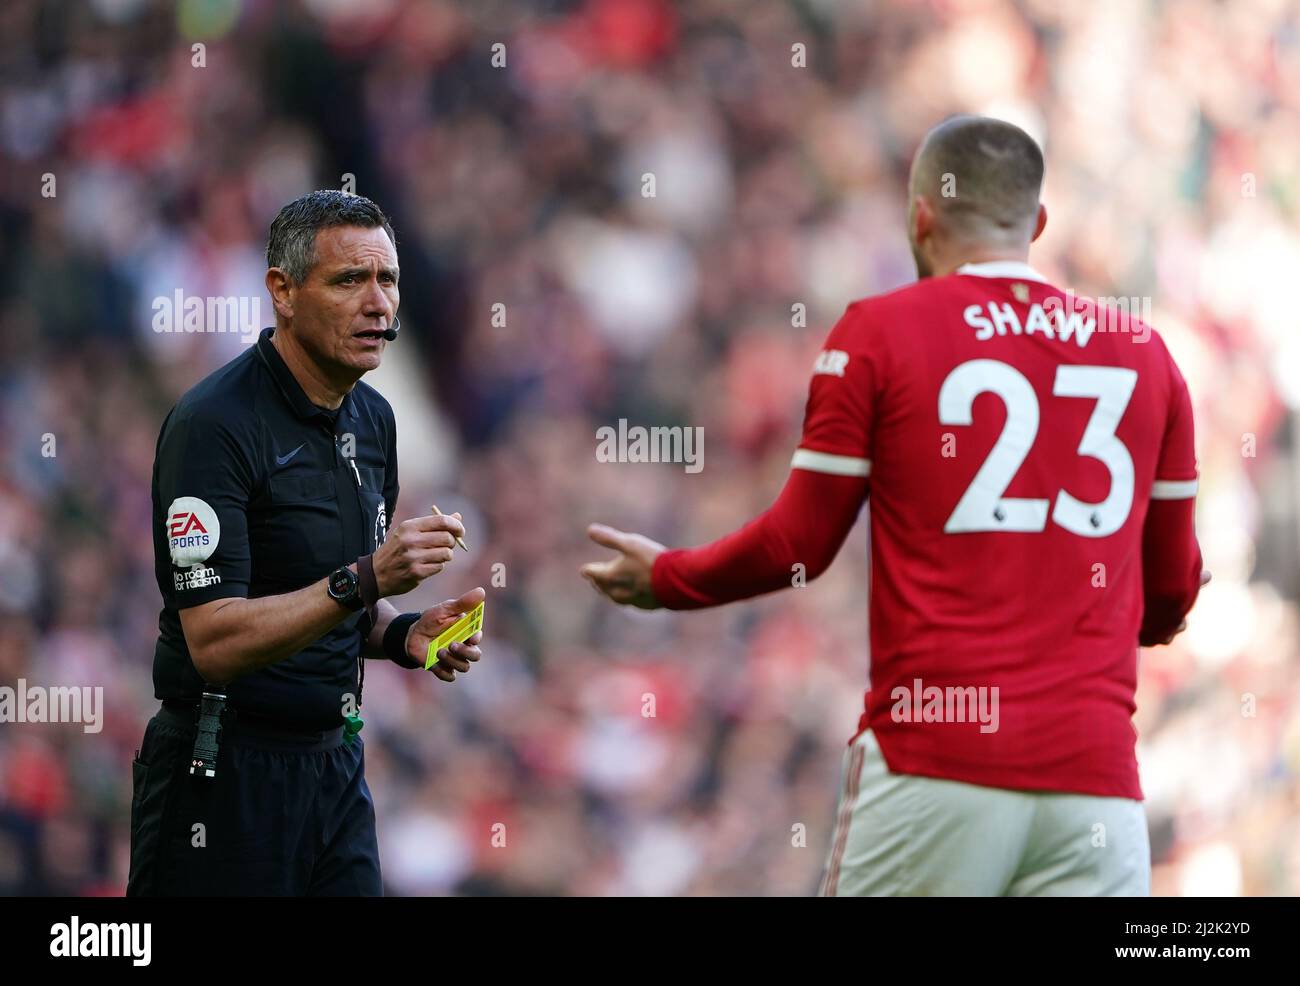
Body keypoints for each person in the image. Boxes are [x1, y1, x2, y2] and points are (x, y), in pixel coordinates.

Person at [580, 116, 1206, 896]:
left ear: (920, 216)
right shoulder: (1146, 353)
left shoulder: (882, 331)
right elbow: (1174, 591)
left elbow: (799, 546)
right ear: (1036, 224)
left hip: (934, 766)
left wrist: (672, 577)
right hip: (1096, 791)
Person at [128, 190, 484, 896]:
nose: (378, 302)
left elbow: (336, 601)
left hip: (333, 767)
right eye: (350, 279)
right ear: (282, 292)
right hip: (223, 775)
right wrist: (367, 580)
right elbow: (215, 641)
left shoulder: (376, 420)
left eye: (388, 280)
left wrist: (402, 634)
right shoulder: (214, 427)